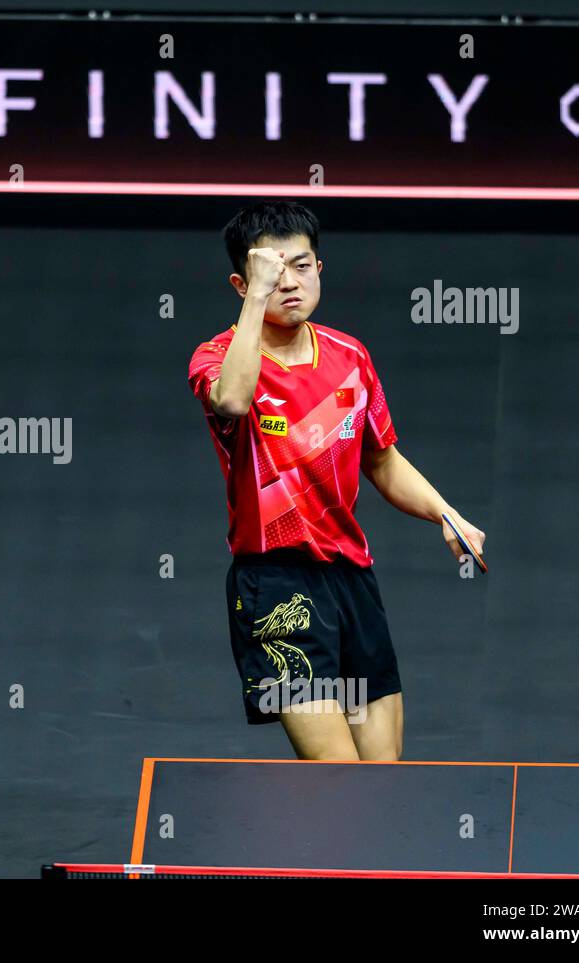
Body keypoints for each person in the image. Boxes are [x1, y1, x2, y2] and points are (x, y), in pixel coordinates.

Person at [187, 200, 486, 761]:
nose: (289, 283)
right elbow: (232, 399)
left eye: (301, 266)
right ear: (242, 282)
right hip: (275, 588)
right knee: (335, 775)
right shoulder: (216, 358)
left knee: (382, 774)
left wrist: (445, 512)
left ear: (319, 269)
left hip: (352, 578)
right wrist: (257, 298)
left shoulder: (350, 356)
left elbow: (381, 459)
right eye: (272, 272)